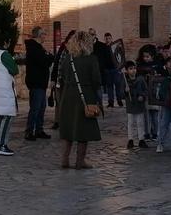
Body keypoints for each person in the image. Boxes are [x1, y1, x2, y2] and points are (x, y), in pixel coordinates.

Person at [57, 30, 102, 169]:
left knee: (68, 128)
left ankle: (65, 160)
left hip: (67, 96)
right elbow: (97, 80)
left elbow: (62, 75)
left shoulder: (68, 59)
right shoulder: (91, 59)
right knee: (83, 130)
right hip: (85, 96)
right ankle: (80, 161)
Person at [23, 27, 53, 141]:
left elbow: (49, 58)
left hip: (41, 83)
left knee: (42, 108)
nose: (45, 36)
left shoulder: (39, 48)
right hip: (36, 83)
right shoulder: (33, 48)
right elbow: (44, 61)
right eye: (44, 34)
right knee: (35, 108)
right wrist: (48, 57)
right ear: (39, 35)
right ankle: (29, 131)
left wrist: (48, 57)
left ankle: (39, 130)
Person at [124, 61, 148, 149]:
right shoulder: (125, 80)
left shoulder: (141, 79)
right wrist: (125, 91)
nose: (133, 70)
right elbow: (121, 93)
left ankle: (141, 139)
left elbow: (146, 90)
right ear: (127, 71)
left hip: (139, 104)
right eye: (131, 69)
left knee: (140, 122)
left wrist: (142, 96)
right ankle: (130, 139)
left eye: (134, 68)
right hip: (130, 105)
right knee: (130, 123)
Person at [94, 31, 122, 107]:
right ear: (104, 39)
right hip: (107, 69)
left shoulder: (115, 46)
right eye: (106, 38)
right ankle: (111, 102)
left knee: (118, 85)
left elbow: (119, 56)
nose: (108, 40)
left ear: (111, 38)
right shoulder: (103, 47)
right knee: (109, 86)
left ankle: (119, 101)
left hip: (115, 68)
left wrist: (120, 67)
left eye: (109, 38)